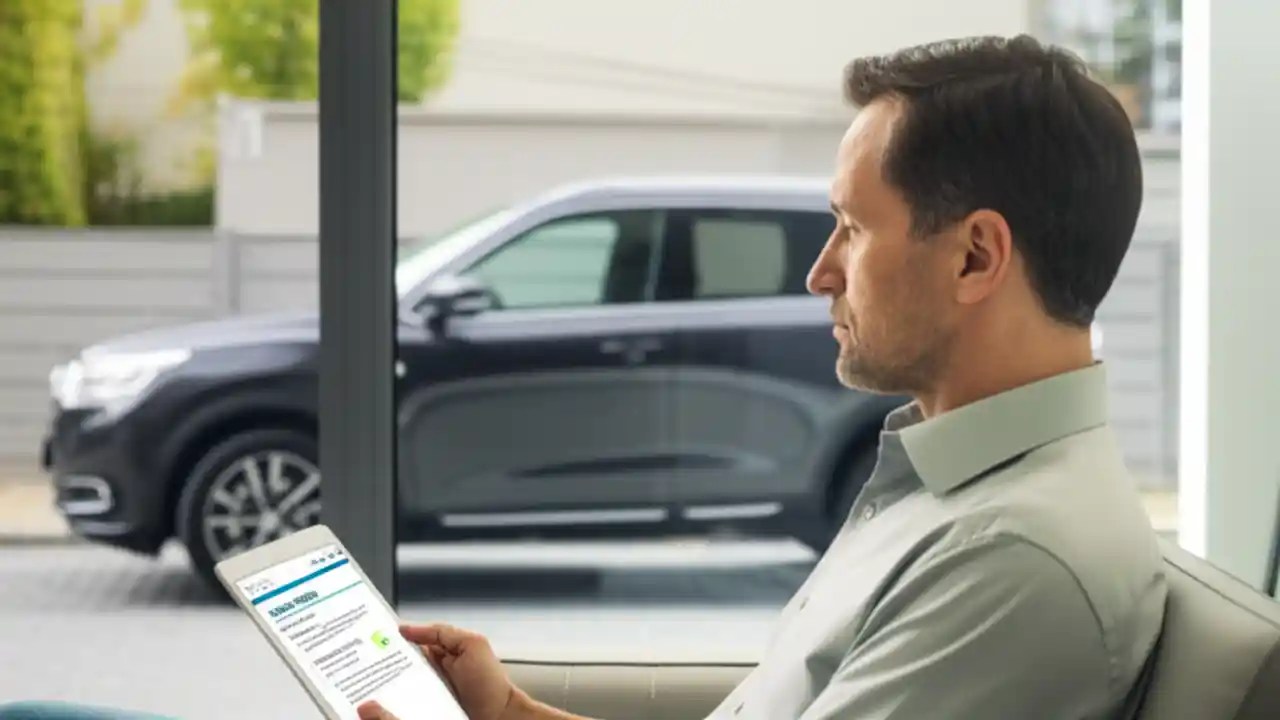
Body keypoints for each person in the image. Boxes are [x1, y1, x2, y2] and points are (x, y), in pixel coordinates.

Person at [0, 33, 1167, 720]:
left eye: (849, 232)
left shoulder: (1010, 560)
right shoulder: (956, 491)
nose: (817, 274)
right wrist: (509, 712)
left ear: (974, 255)